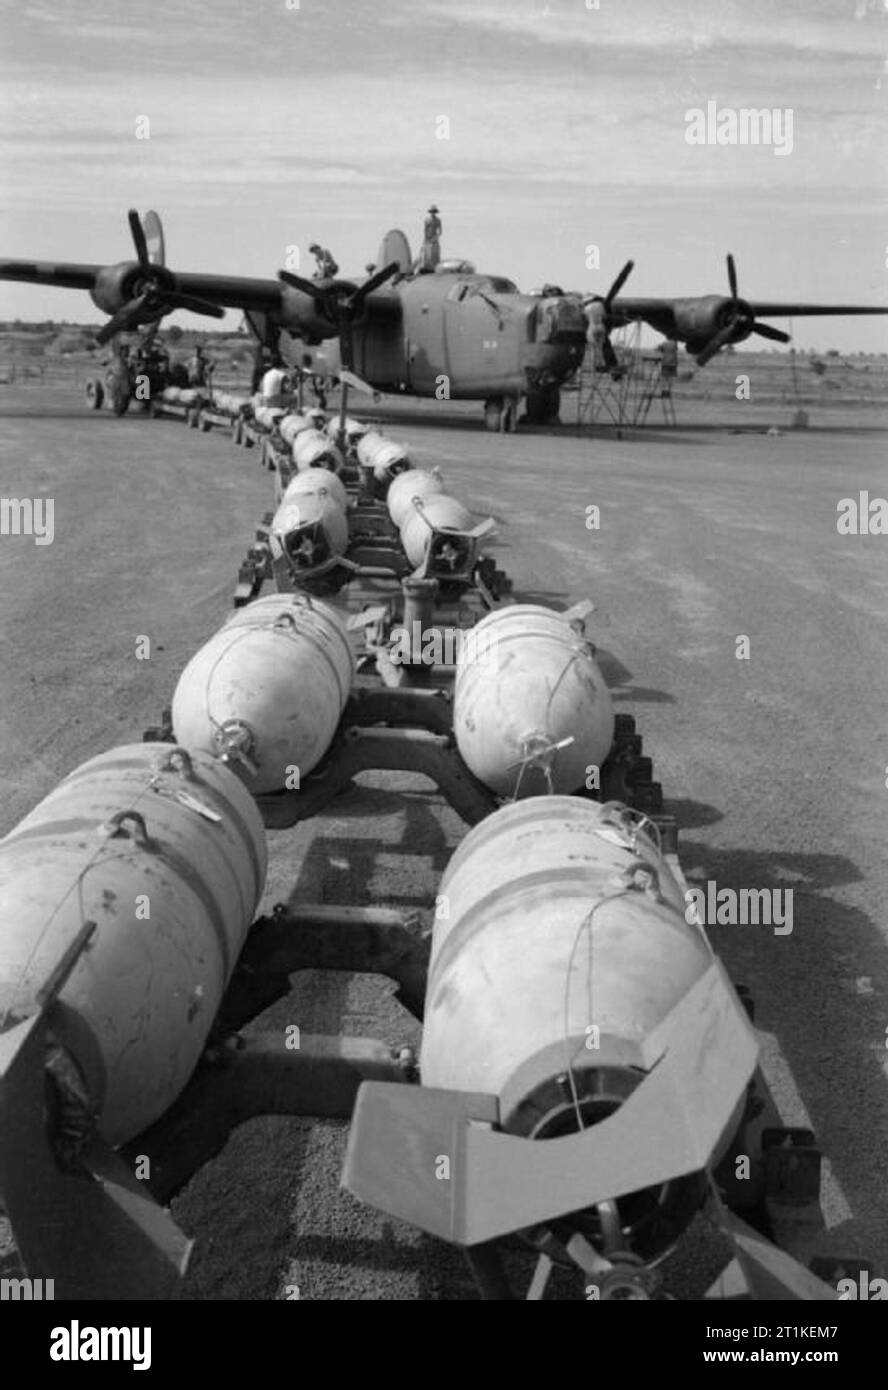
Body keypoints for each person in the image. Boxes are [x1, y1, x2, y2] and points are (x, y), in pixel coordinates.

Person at [419, 205, 442, 273]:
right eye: (432, 212)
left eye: (434, 212)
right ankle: (426, 267)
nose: (433, 213)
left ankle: (435, 267)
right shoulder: (427, 220)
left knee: (434, 253)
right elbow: (425, 230)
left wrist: (436, 237)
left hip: (434, 238)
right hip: (427, 238)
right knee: (426, 253)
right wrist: (426, 238)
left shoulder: (438, 220)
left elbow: (440, 231)